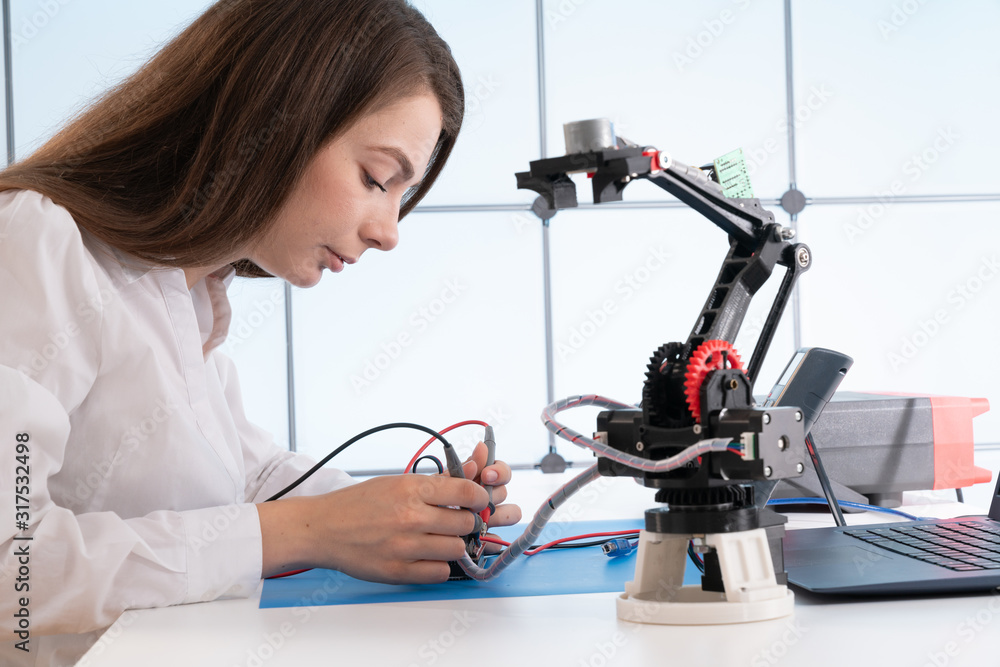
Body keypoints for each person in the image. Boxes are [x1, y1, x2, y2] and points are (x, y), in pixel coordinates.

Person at [0, 0, 520, 663]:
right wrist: (304, 530)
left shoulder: (188, 298)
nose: (388, 232)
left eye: (400, 195)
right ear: (277, 119)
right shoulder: (36, 244)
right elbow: (12, 568)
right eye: (376, 178)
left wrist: (416, 513)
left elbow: (252, 477)